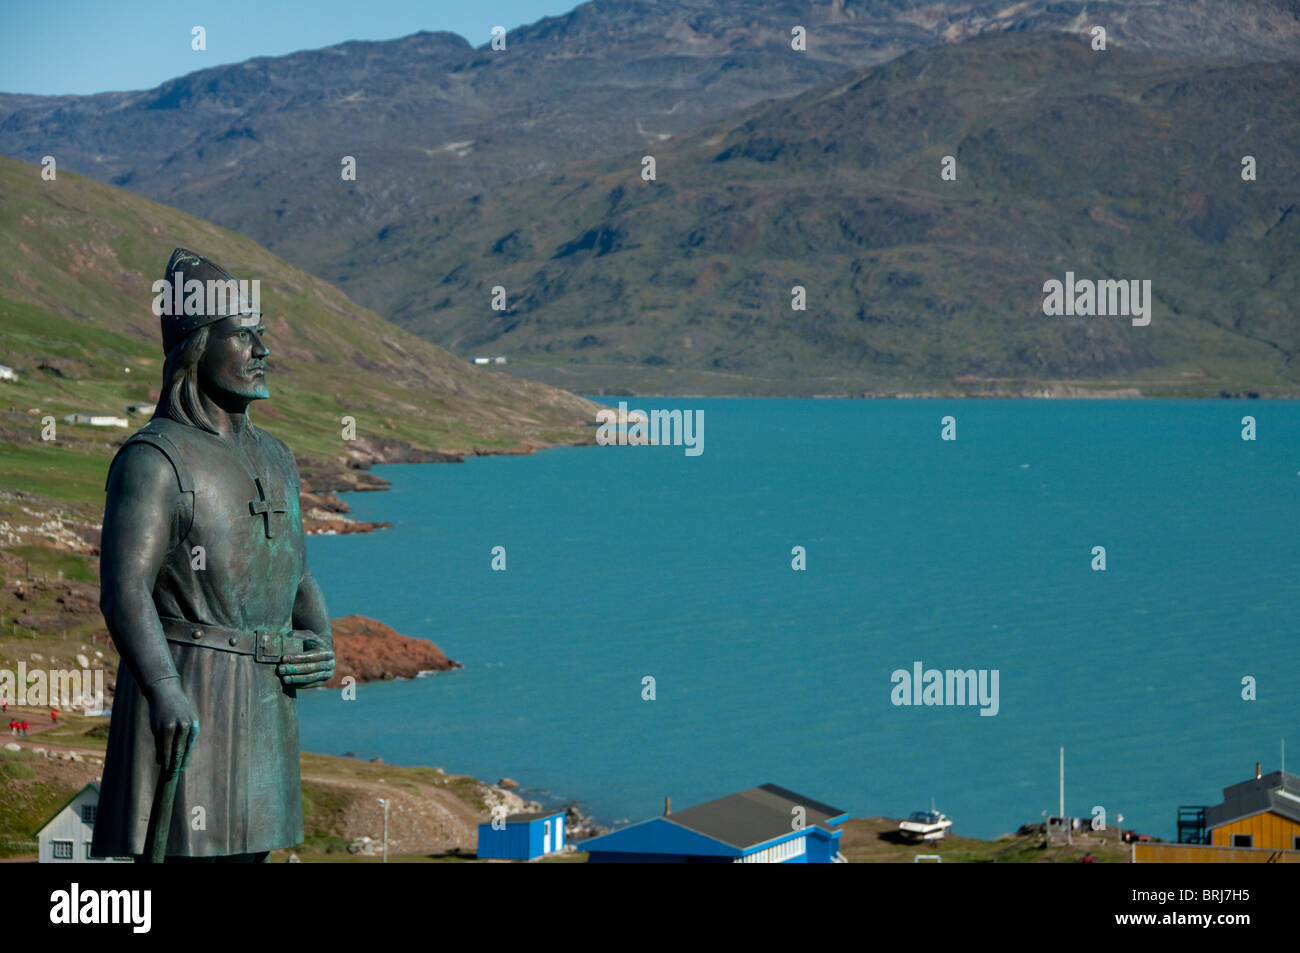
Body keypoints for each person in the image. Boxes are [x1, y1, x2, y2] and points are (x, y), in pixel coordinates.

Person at [91, 248, 335, 862]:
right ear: (197, 345)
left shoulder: (277, 457)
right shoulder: (153, 460)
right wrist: (163, 688)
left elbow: (293, 567)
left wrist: (319, 636)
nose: (261, 350)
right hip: (193, 698)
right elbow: (125, 591)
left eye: (263, 334)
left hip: (265, 702)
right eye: (243, 335)